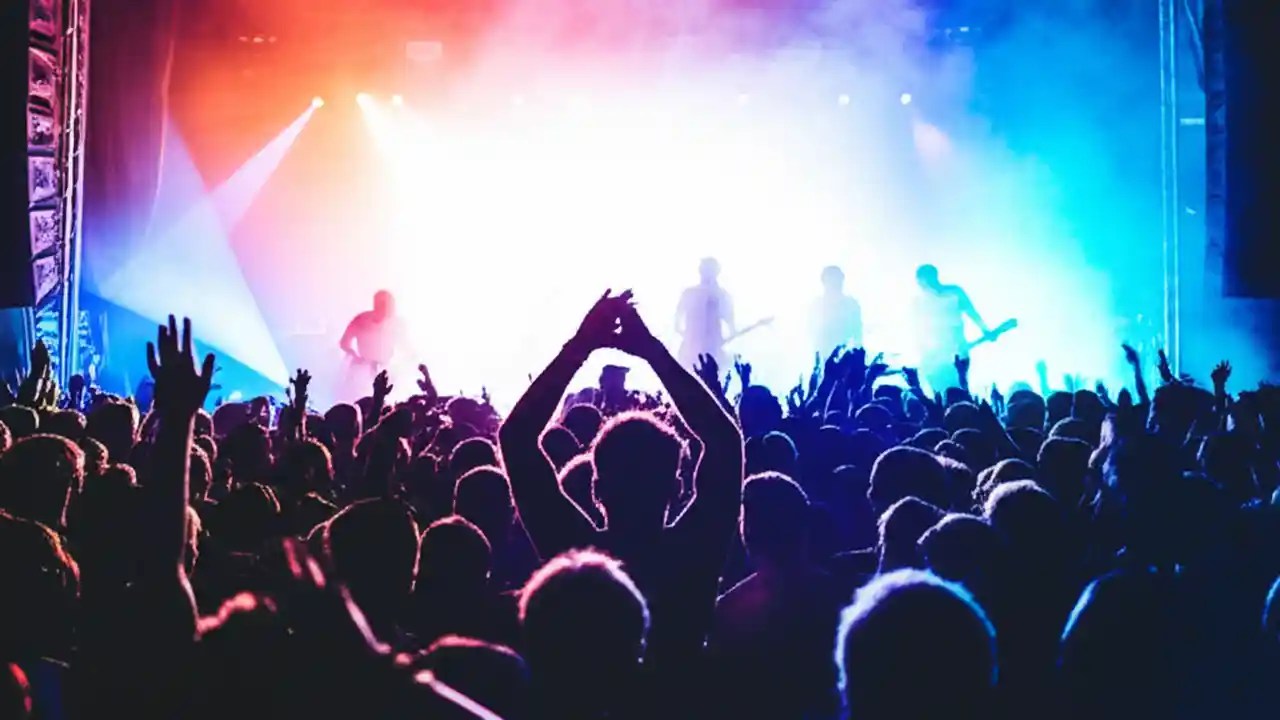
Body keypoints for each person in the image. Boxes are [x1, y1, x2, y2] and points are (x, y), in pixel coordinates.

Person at [912, 264, 990, 394]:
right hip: (934, 356)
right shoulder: (919, 302)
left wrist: (985, 330)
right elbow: (916, 331)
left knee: (960, 387)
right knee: (939, 391)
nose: (920, 285)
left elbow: (971, 311)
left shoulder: (954, 292)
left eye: (920, 281)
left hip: (958, 351)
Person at [338, 290, 410, 398]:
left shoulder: (397, 324)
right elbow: (344, 343)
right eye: (383, 304)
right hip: (362, 370)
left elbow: (406, 347)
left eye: (389, 305)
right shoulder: (361, 320)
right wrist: (355, 356)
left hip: (385, 369)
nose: (386, 308)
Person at [676, 258, 736, 371]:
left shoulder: (721, 295)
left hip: (707, 350)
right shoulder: (691, 293)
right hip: (693, 351)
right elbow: (677, 324)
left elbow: (731, 327)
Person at [812, 265, 863, 356]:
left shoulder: (851, 305)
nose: (835, 284)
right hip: (825, 358)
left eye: (837, 280)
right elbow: (812, 338)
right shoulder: (817, 306)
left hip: (847, 358)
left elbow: (857, 336)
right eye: (832, 281)